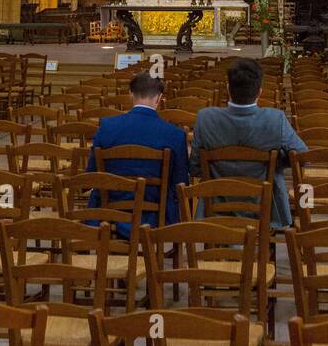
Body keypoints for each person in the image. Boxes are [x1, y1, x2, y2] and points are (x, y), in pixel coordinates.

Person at [190, 57, 306, 228]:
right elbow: (302, 156)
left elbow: (194, 167)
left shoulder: (205, 118)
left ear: (228, 89)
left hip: (216, 206)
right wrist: (276, 162)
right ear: (259, 92)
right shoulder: (275, 119)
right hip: (264, 208)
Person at [87, 69, 189, 225]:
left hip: (110, 213)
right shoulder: (175, 134)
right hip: (155, 216)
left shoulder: (107, 126)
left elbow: (92, 173)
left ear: (130, 94)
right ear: (159, 98)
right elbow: (180, 182)